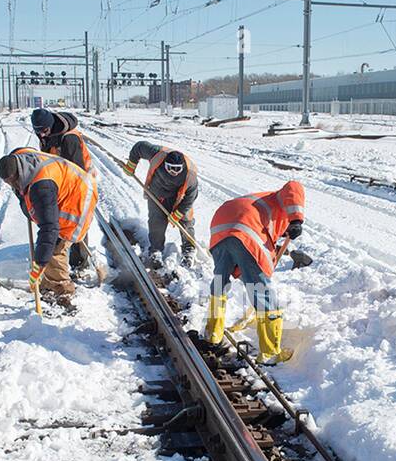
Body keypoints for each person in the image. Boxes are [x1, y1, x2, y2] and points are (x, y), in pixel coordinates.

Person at [205, 181, 305, 364]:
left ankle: (213, 334)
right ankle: (270, 353)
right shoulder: (281, 198)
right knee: (262, 289)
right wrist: (297, 220)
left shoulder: (263, 204)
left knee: (220, 282)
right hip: (244, 229)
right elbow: (294, 186)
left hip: (221, 226)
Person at [0, 146, 99, 311]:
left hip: (78, 197)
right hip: (66, 186)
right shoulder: (20, 158)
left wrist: (39, 264)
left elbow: (49, 228)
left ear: (17, 173)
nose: (10, 185)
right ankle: (51, 279)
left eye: (11, 182)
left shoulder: (41, 187)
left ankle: (61, 289)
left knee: (56, 246)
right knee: (50, 239)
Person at [32, 108, 95, 275]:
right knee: (60, 221)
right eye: (38, 132)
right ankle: (62, 257)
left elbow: (76, 170)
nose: (42, 135)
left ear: (51, 125)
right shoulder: (45, 136)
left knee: (75, 220)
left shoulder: (69, 139)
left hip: (80, 183)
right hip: (62, 181)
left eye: (44, 131)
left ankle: (80, 263)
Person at [123, 142, 198, 264]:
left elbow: (191, 197)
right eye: (170, 168)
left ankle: (189, 250)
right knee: (156, 221)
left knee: (186, 220)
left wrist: (177, 214)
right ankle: (156, 250)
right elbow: (139, 147)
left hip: (180, 198)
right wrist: (131, 164)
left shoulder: (190, 175)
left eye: (177, 169)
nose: (173, 172)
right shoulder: (157, 154)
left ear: (182, 167)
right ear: (165, 163)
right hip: (157, 195)